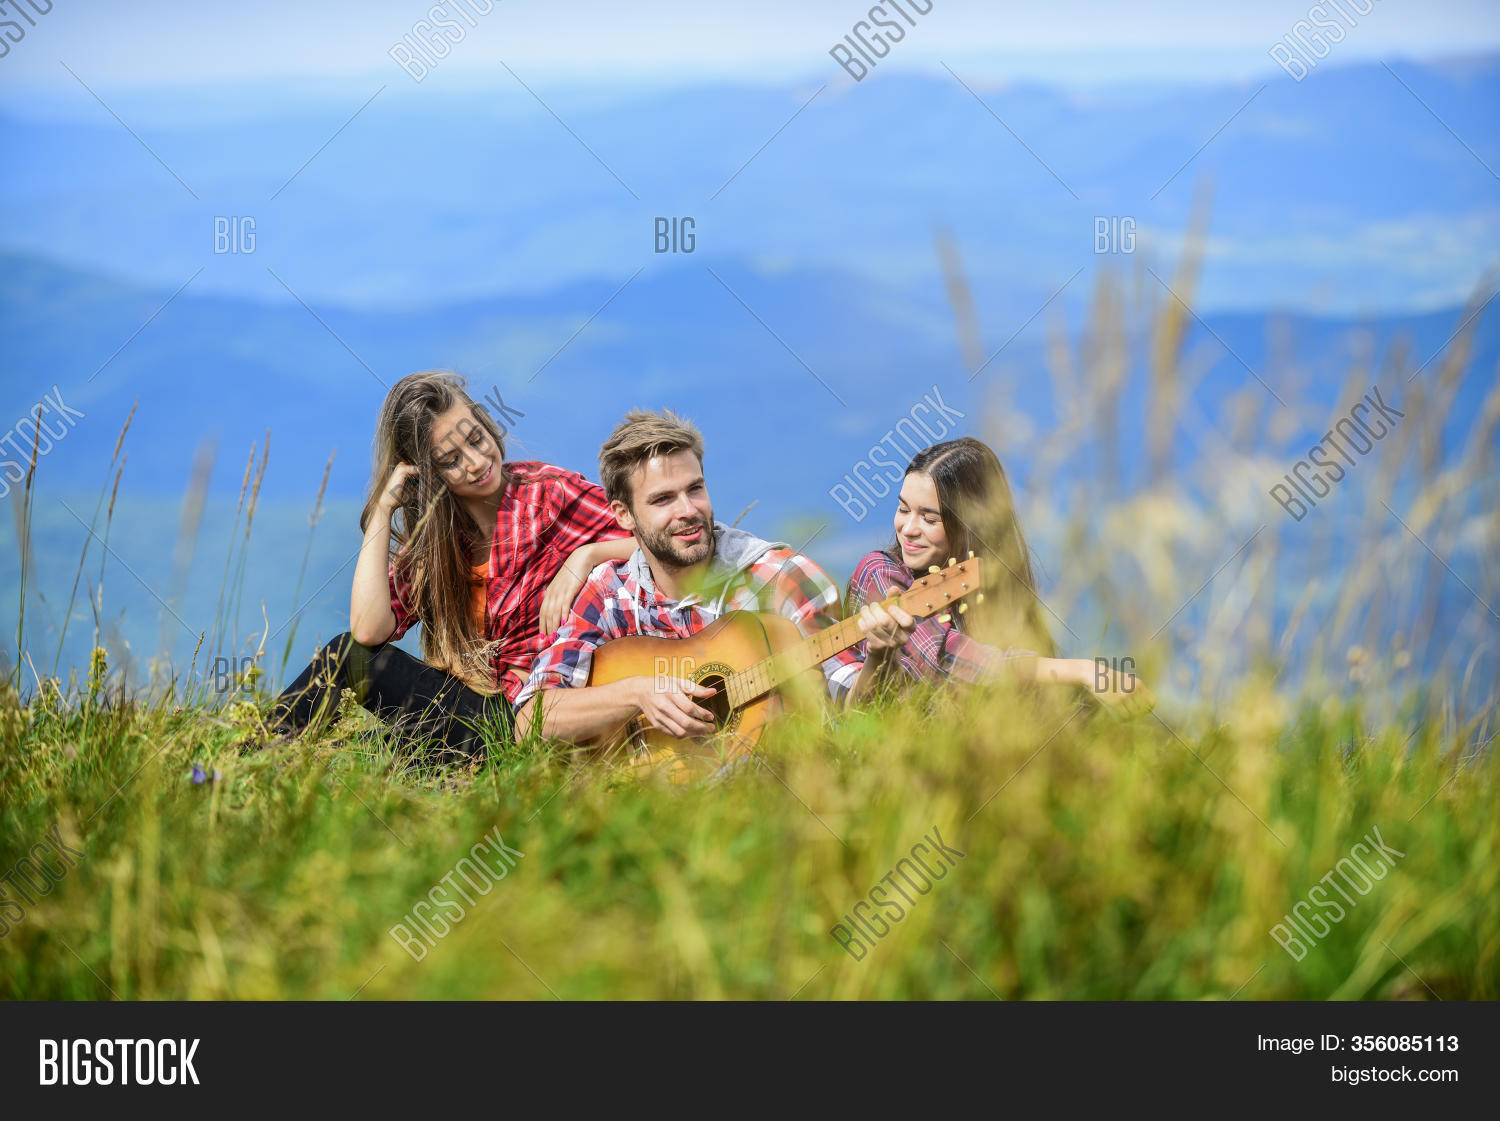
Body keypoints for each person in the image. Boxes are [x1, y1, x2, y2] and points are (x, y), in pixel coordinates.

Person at [263, 371, 636, 762]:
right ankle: (250, 764)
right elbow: (369, 629)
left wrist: (585, 556)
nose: (476, 463)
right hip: (470, 710)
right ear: (428, 473)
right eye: (451, 460)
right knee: (354, 751)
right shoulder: (436, 541)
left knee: (346, 662)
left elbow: (664, 544)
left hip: (527, 718)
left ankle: (248, 757)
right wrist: (382, 511)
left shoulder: (547, 495)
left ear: (486, 424)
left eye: (476, 438)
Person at [514, 408, 902, 747]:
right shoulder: (609, 594)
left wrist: (881, 657)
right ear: (623, 515)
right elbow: (531, 721)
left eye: (695, 489)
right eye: (663, 499)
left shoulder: (782, 577)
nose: (688, 510)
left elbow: (855, 711)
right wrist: (635, 694)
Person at [845, 436, 1153, 716]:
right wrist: (1083, 670)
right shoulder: (880, 572)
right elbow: (944, 657)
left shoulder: (991, 586)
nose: (908, 529)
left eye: (929, 518)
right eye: (902, 510)